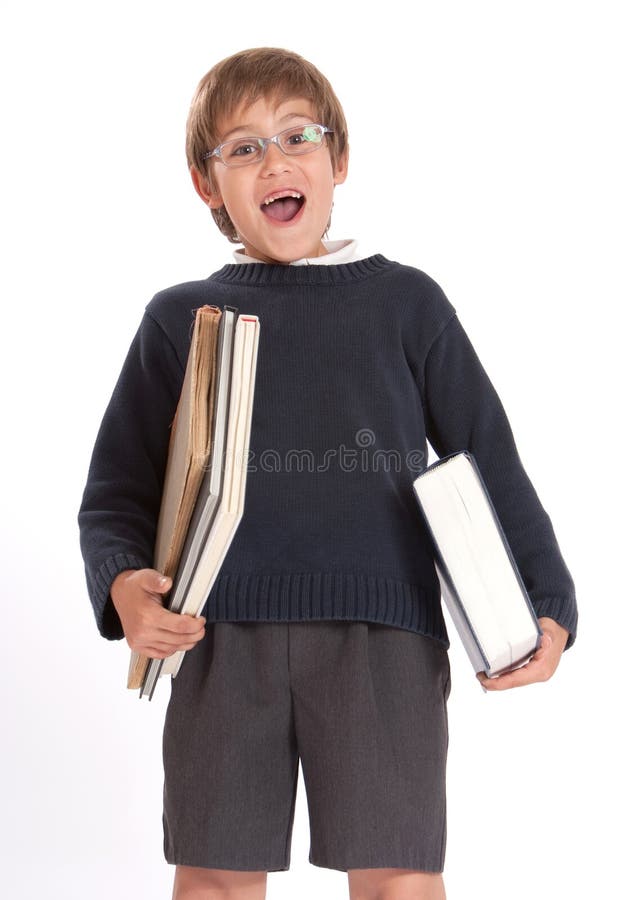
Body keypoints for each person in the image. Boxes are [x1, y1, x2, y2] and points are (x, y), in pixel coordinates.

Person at [78, 47, 578, 900]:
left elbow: (486, 453)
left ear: (338, 160)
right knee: (215, 879)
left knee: (400, 879)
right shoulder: (178, 320)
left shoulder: (407, 304)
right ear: (209, 186)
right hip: (217, 640)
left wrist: (547, 602)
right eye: (242, 148)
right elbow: (118, 489)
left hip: (382, 641)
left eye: (297, 137)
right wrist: (125, 588)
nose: (274, 161)